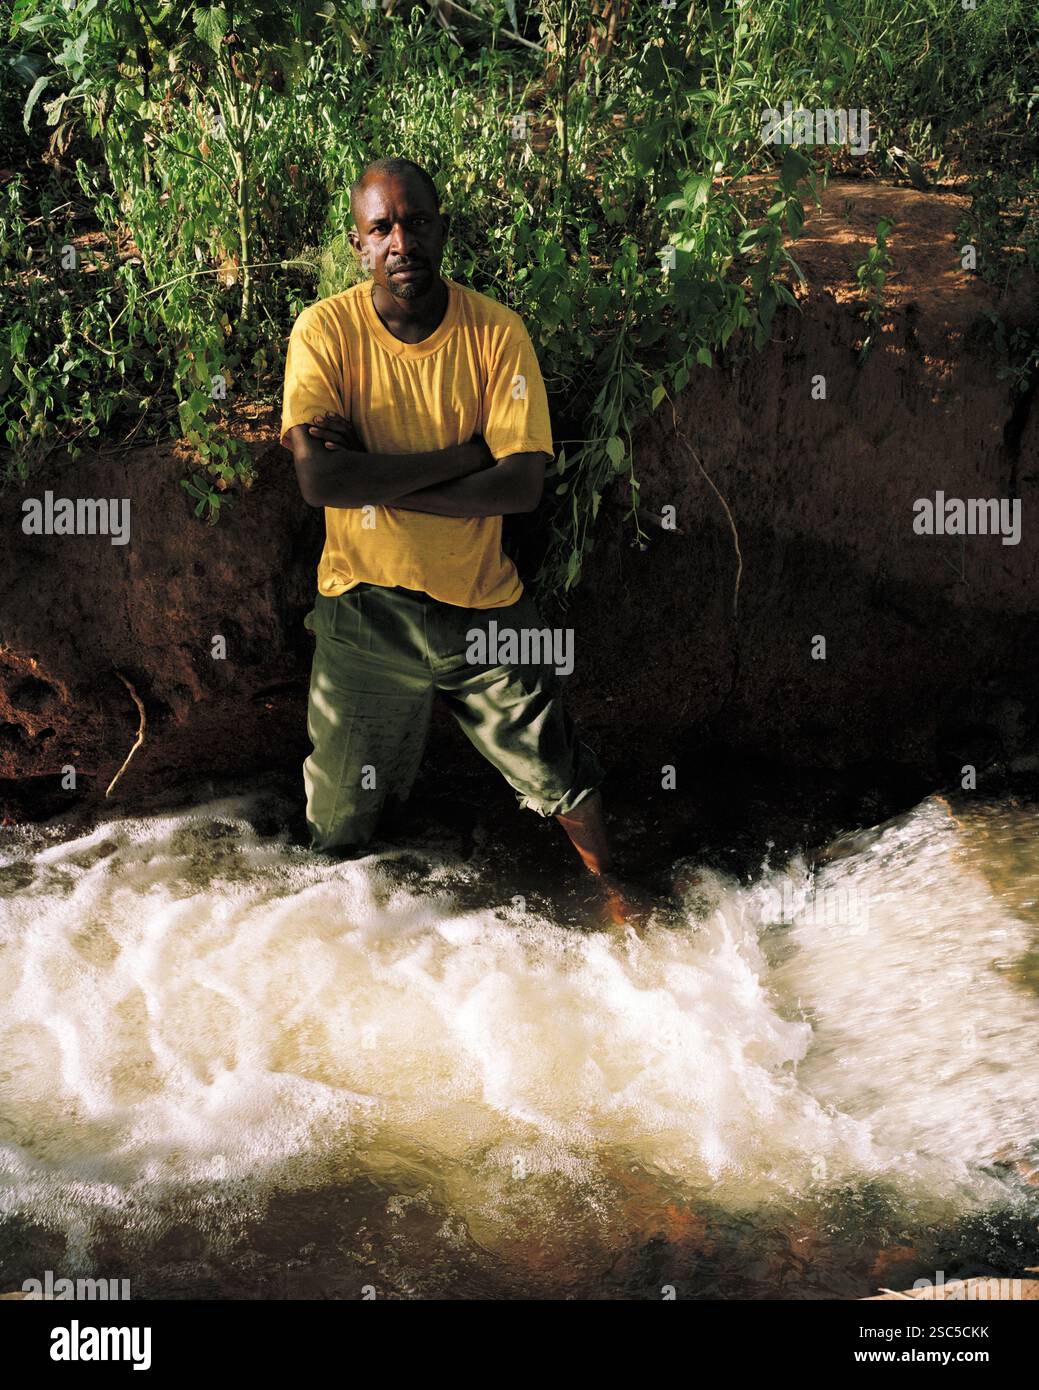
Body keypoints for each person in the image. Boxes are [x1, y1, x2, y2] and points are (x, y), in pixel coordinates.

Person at [281, 156, 653, 926]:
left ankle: (613, 895)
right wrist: (462, 457)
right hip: (363, 608)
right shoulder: (324, 332)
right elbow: (319, 483)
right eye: (381, 227)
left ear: (442, 230)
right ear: (359, 245)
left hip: (482, 608)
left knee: (560, 775)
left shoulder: (495, 334)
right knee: (337, 821)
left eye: (415, 222)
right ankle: (346, 956)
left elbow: (520, 487)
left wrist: (371, 472)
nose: (400, 242)